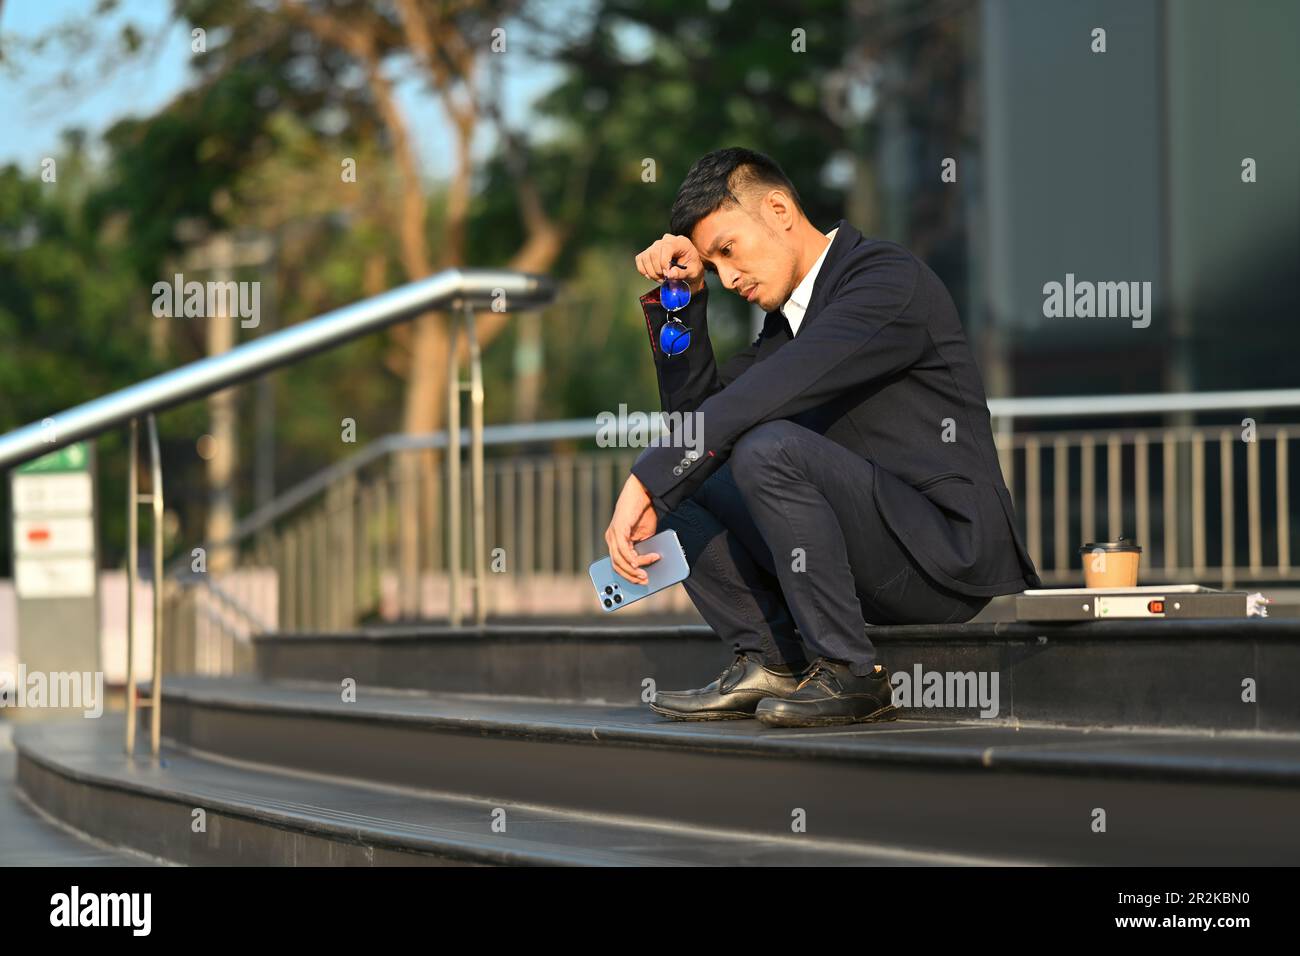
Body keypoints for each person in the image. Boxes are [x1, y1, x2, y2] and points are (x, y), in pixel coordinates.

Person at [604, 146, 1042, 728]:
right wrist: (682, 300)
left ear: (780, 210)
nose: (729, 277)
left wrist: (648, 480)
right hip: (865, 559)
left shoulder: (885, 281)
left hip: (944, 563)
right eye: (714, 263)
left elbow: (763, 397)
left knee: (757, 449)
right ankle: (770, 661)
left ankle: (851, 673)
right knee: (690, 472)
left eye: (728, 251)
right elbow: (699, 422)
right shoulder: (785, 330)